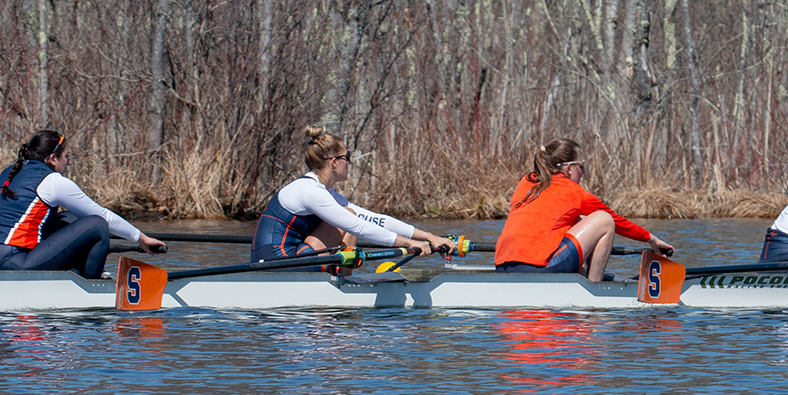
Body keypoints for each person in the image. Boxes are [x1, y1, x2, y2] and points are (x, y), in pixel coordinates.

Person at [0, 130, 166, 279]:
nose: (69, 162)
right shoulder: (53, 181)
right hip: (11, 262)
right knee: (97, 225)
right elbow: (103, 217)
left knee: (69, 219)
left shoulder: (10, 171)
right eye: (67, 156)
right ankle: (89, 287)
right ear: (53, 159)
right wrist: (142, 239)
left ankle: (71, 274)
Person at [251, 126, 454, 264]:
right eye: (346, 157)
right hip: (276, 262)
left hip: (291, 257)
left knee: (350, 213)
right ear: (333, 162)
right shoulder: (310, 192)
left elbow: (374, 219)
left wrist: (428, 236)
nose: (349, 161)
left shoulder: (323, 191)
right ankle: (343, 288)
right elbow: (357, 226)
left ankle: (343, 283)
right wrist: (409, 243)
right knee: (348, 219)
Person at [494, 138, 675, 281]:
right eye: (582, 166)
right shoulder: (575, 193)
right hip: (538, 269)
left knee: (578, 220)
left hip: (502, 267)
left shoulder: (527, 181)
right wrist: (652, 240)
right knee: (603, 220)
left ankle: (579, 277)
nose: (584, 171)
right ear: (569, 168)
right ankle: (593, 289)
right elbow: (617, 222)